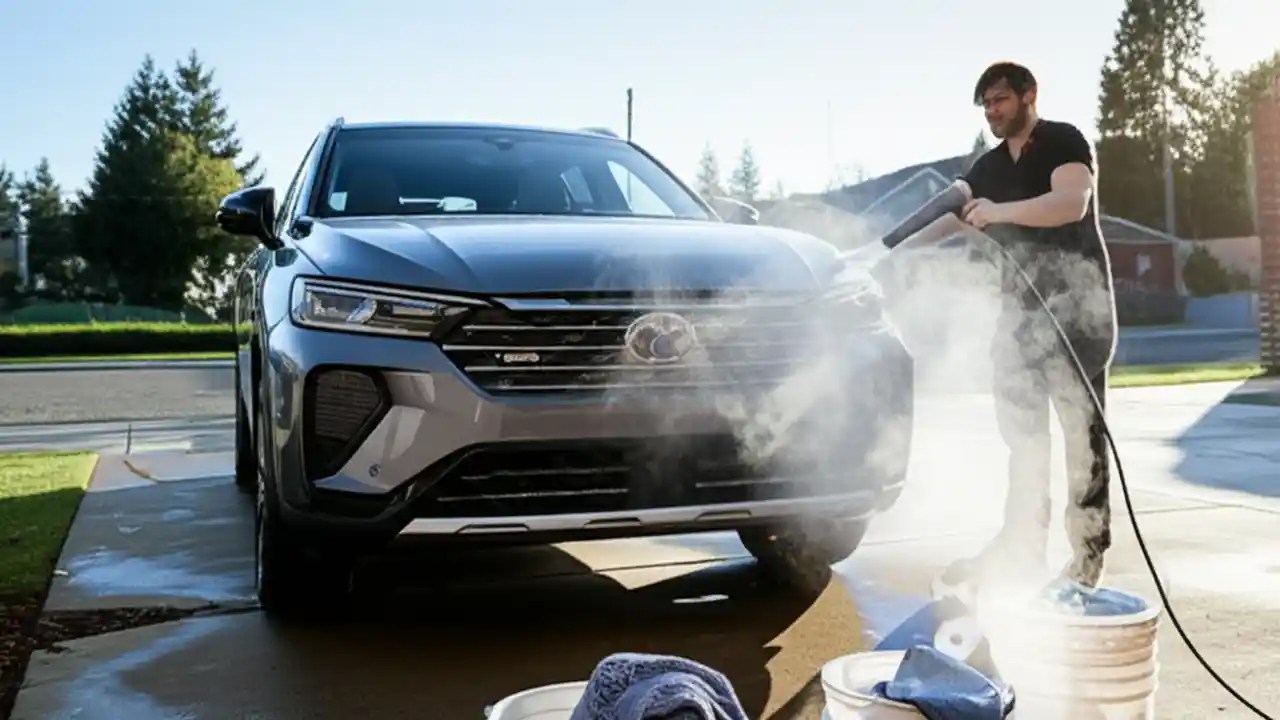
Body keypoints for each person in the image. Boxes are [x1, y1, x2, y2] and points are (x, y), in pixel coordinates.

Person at [946, 61, 1119, 591]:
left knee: (1082, 440)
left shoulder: (1063, 141)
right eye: (986, 105)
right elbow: (948, 216)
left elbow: (1071, 203)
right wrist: (885, 251)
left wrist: (999, 213)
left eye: (1000, 100)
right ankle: (1021, 548)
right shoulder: (989, 166)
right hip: (1019, 319)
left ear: (1028, 95)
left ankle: (1087, 558)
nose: (992, 112)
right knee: (1024, 442)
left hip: (1077, 315)